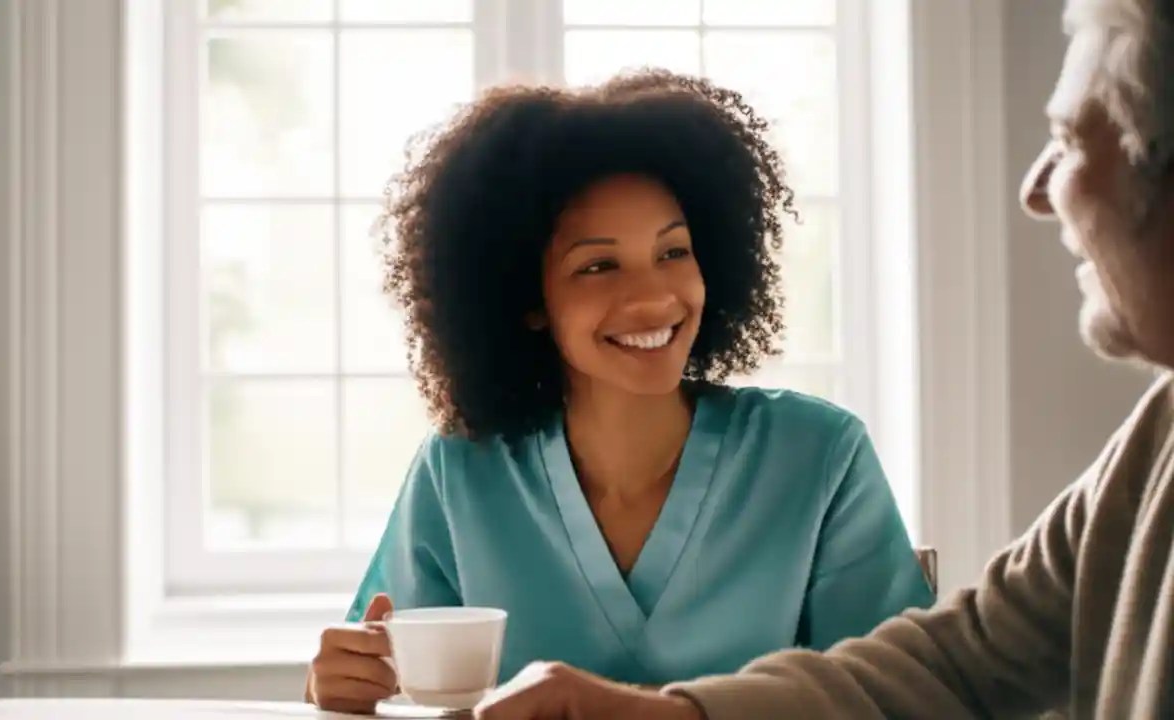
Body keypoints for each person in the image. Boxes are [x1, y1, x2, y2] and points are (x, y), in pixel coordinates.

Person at [469, 1, 1174, 718]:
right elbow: (957, 665)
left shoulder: (818, 450)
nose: (1034, 190)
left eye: (1068, 137)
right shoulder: (1158, 440)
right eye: (597, 266)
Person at [303, 70, 934, 715]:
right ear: (527, 300)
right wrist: (341, 684)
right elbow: (386, 675)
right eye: (598, 266)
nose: (654, 297)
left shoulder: (818, 455)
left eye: (674, 252)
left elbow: (903, 697)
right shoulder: (462, 469)